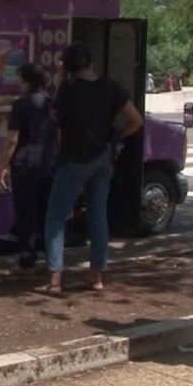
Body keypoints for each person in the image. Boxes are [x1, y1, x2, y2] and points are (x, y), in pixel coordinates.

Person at [41, 43, 143, 296]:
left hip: (75, 159)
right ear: (91, 62)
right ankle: (96, 275)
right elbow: (136, 120)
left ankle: (55, 280)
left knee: (56, 216)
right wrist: (116, 137)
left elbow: (59, 127)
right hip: (103, 157)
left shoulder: (68, 89)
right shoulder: (110, 86)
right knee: (98, 215)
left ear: (68, 66)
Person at [0, 64, 56, 269]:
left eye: (20, 79)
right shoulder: (51, 103)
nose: (18, 83)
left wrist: (3, 164)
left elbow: (13, 139)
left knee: (26, 210)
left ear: (28, 81)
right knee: (46, 210)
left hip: (24, 162)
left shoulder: (20, 105)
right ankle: (52, 255)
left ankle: (28, 253)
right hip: (49, 161)